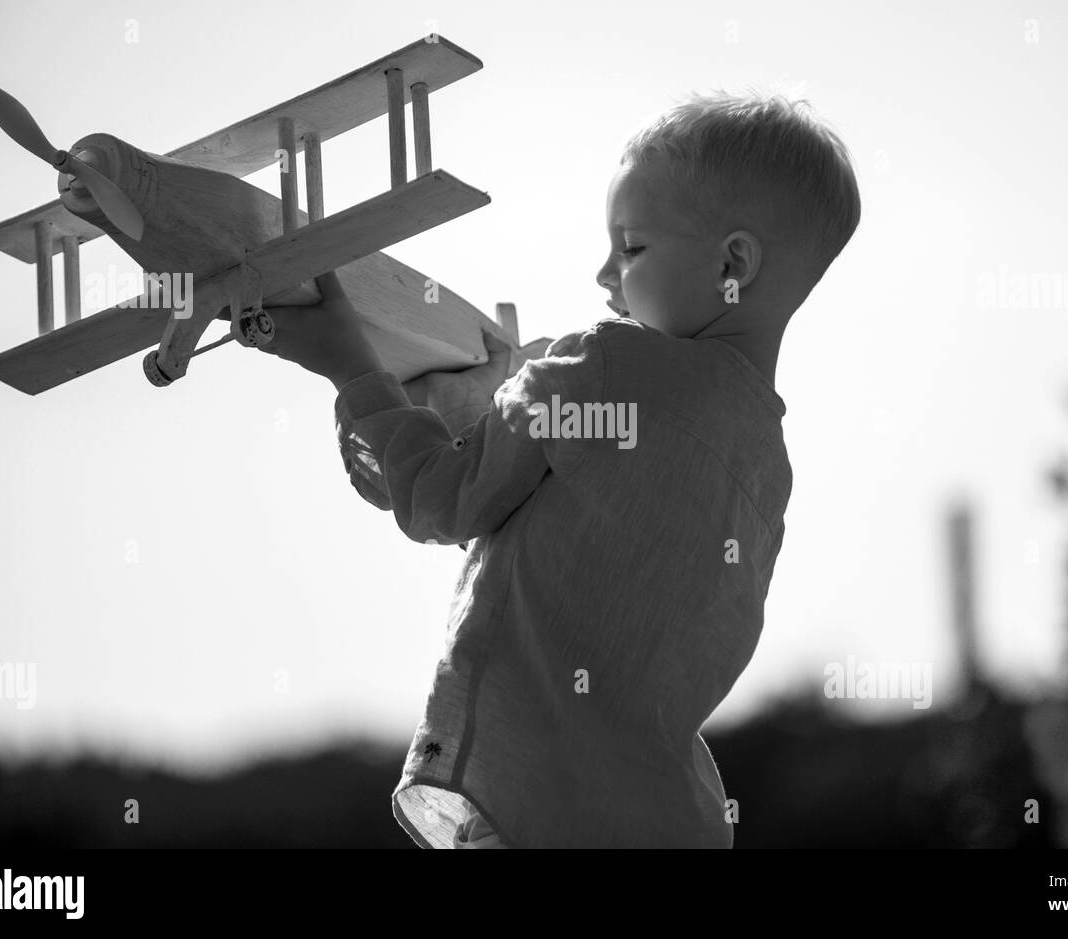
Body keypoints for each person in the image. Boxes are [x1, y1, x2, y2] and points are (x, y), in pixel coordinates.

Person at [260, 89, 860, 848]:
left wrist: (350, 363)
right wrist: (498, 398)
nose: (606, 274)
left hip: (528, 801)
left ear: (732, 264)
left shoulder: (604, 362)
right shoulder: (766, 464)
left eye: (632, 247)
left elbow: (442, 499)